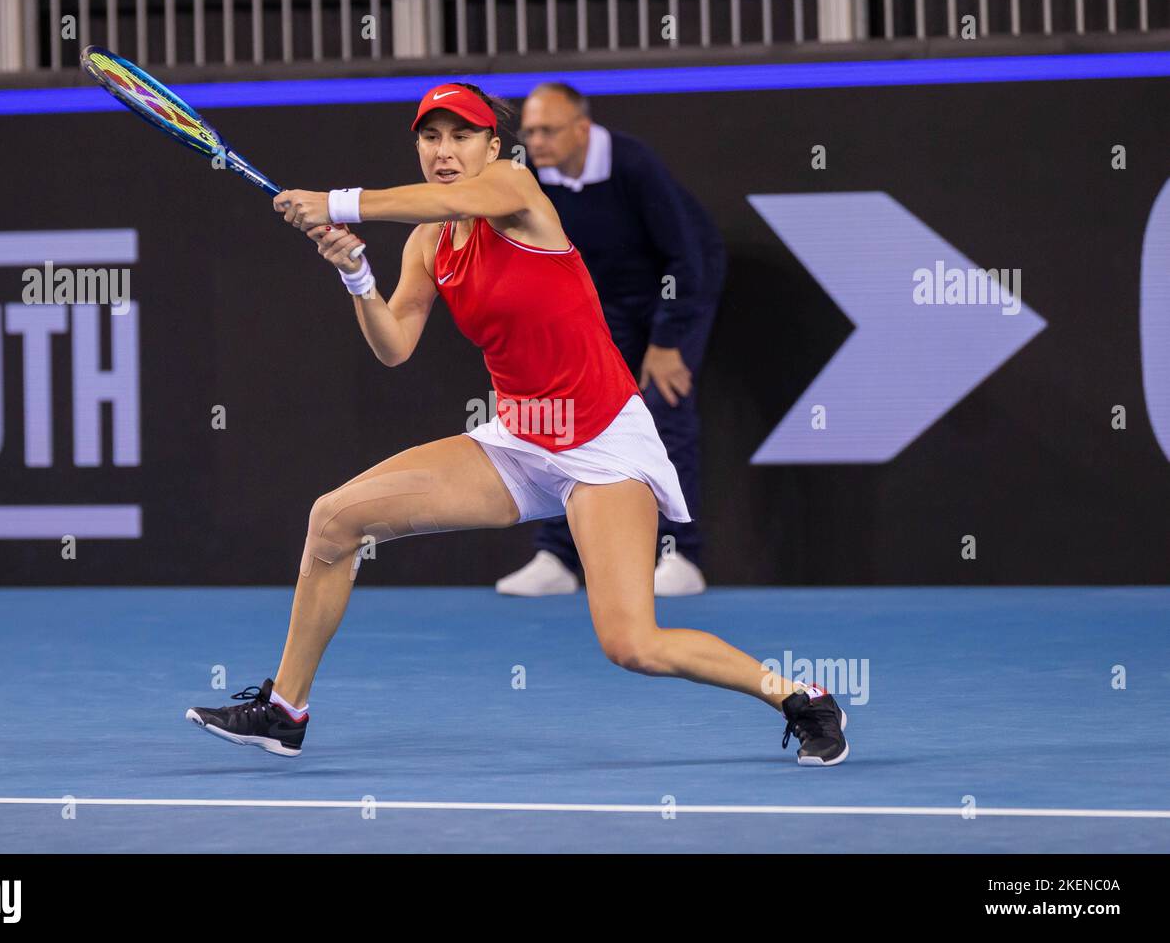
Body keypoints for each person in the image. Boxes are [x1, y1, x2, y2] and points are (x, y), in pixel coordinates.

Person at [184, 82, 848, 767]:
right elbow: (394, 347)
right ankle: (285, 711)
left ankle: (801, 698)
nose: (444, 152)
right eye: (431, 137)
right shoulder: (427, 243)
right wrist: (357, 276)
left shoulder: (514, 191)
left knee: (633, 645)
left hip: (602, 446)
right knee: (333, 520)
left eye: (462, 136)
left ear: (494, 146)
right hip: (517, 441)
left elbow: (452, 198)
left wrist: (335, 203)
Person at [495, 82, 723, 599]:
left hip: (677, 287)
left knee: (665, 409)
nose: (536, 141)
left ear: (582, 128)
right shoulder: (530, 177)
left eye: (548, 130)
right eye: (529, 131)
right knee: (572, 416)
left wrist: (667, 342)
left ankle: (682, 556)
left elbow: (687, 258)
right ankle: (557, 555)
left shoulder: (633, 165)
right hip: (606, 301)